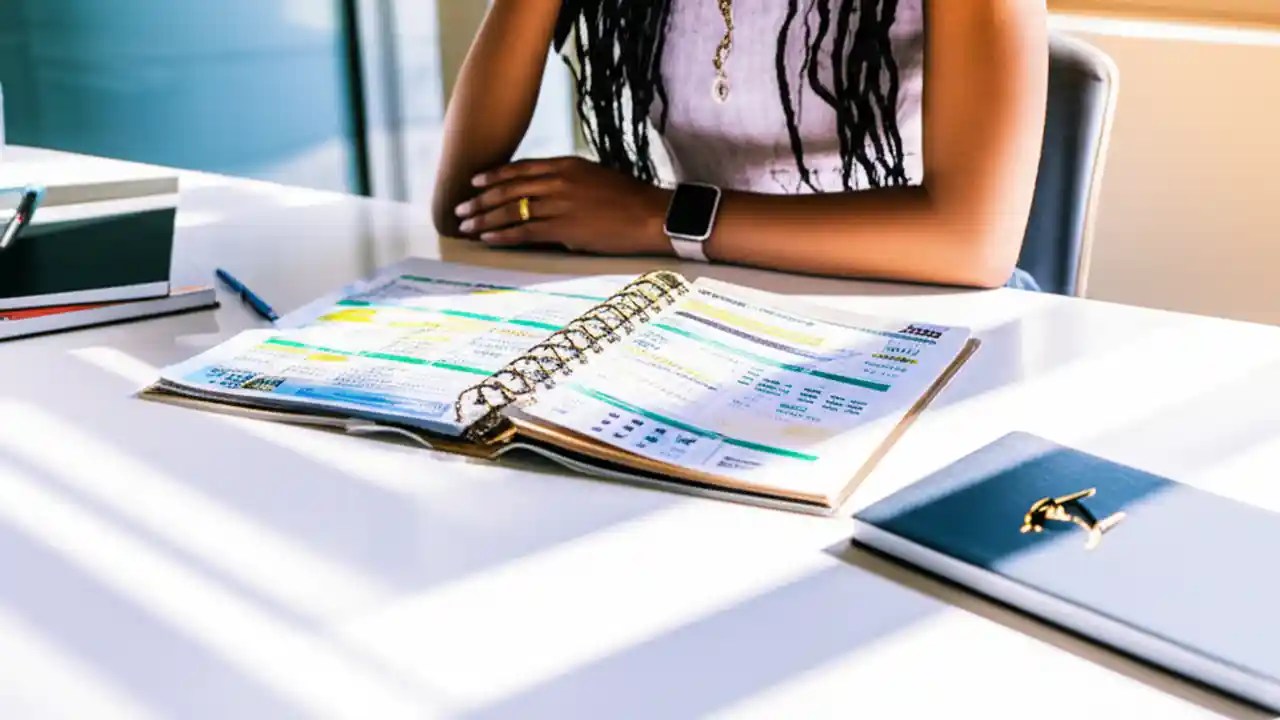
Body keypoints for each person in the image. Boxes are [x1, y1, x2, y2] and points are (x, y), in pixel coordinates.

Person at [434, 0, 1048, 289]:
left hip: (922, 308)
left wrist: (661, 218)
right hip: (714, 302)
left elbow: (972, 244)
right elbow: (465, 202)